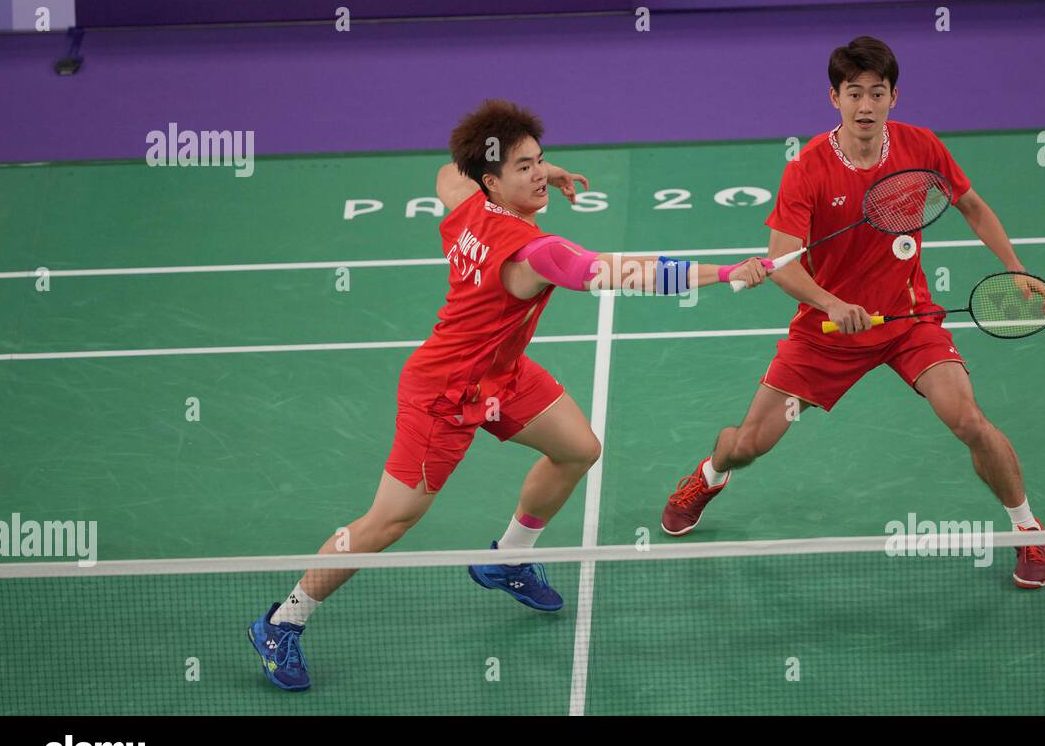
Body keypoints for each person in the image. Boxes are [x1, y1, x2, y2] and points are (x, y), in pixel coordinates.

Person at [249, 99, 769, 690]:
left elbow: (448, 172)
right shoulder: (533, 252)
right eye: (524, 167)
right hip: (444, 392)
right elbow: (623, 272)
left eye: (540, 160)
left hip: (502, 373)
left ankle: (507, 558)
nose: (541, 173)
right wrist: (725, 273)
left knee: (577, 447)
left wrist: (540, 175)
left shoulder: (467, 202)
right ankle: (281, 621)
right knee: (388, 522)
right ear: (494, 181)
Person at [660, 36, 1045, 591]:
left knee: (968, 419)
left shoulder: (922, 146)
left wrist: (1013, 265)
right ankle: (709, 475)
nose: (865, 106)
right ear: (834, 98)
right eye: (854, 94)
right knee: (749, 444)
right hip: (826, 332)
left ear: (894, 97)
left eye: (877, 93)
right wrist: (831, 303)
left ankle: (1026, 527)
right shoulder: (808, 169)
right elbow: (780, 263)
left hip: (906, 321)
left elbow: (971, 205)